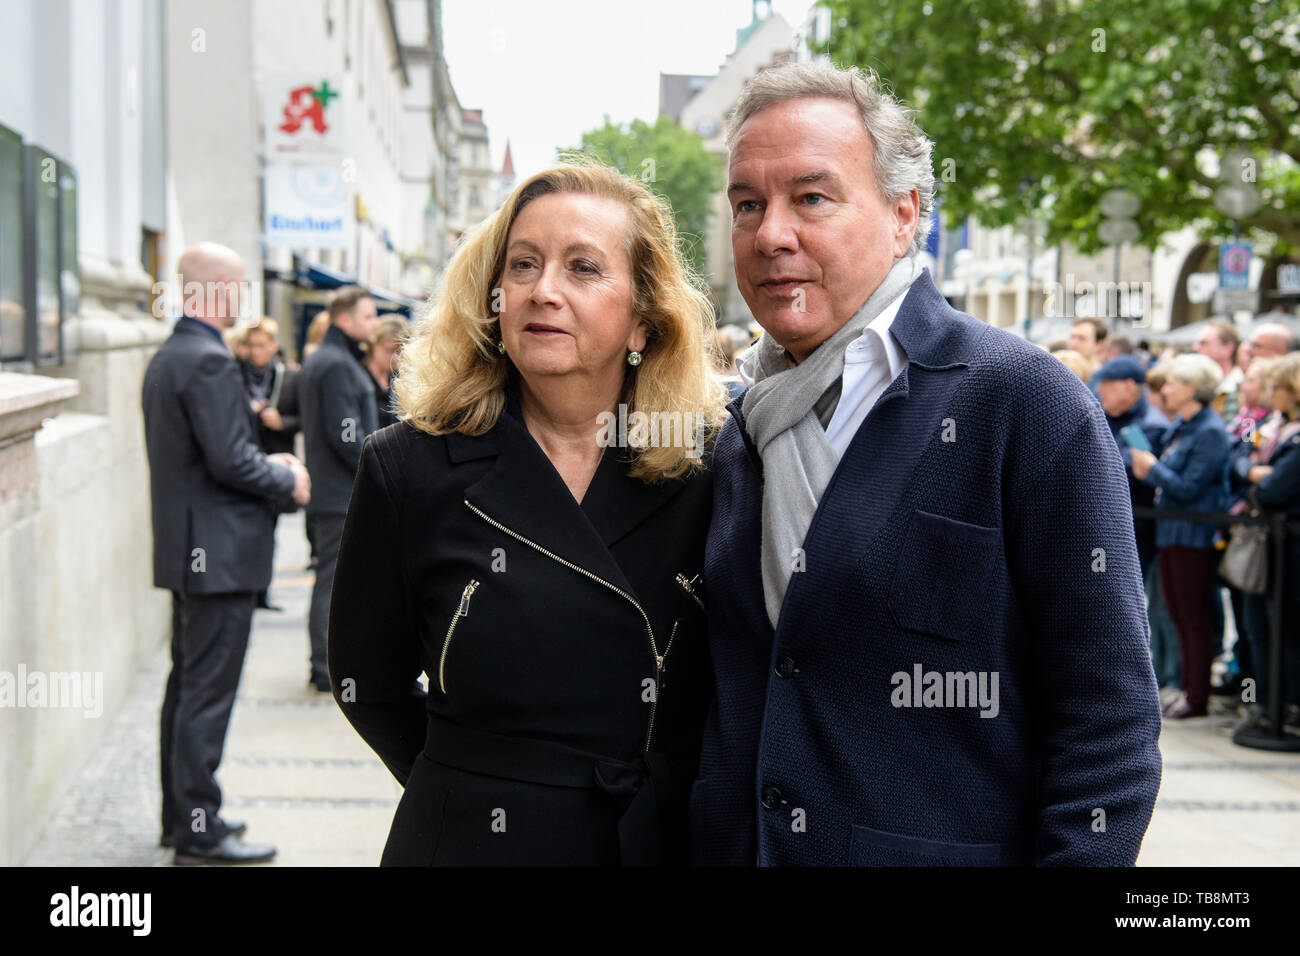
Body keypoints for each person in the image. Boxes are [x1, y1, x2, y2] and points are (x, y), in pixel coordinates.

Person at [694, 61, 1162, 867]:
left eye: (811, 197)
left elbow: (1108, 716)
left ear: (905, 212)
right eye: (747, 204)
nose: (772, 234)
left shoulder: (1024, 402)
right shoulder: (733, 428)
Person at [328, 162, 727, 865]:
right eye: (523, 265)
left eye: (582, 268)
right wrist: (469, 782)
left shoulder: (707, 465)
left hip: (648, 843)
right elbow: (366, 683)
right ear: (493, 298)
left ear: (642, 317)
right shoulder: (408, 467)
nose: (543, 291)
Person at [142, 242, 311, 864]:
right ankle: (199, 830)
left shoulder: (173, 355)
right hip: (216, 555)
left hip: (192, 552)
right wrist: (286, 476)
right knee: (206, 695)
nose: (243, 299)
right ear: (212, 290)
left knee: (186, 689)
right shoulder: (209, 359)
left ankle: (180, 817)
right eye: (237, 287)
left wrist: (263, 463)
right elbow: (229, 459)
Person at [1130, 353, 1231, 719]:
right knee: (1175, 612)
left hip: (1193, 534)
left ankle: (1196, 694)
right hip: (1171, 531)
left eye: (1172, 383)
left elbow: (1188, 487)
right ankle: (1186, 688)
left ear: (1191, 388)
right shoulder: (1183, 426)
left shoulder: (1209, 431)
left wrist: (1152, 469)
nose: (1165, 390)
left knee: (1193, 616)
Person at [299, 286, 380, 692]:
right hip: (338, 495)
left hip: (333, 491)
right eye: (368, 317)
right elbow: (345, 434)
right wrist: (379, 466)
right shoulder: (335, 365)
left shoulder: (330, 360)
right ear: (345, 320)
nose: (375, 324)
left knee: (332, 580)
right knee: (331, 582)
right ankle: (323, 667)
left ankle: (326, 664)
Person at [1235, 353, 1300, 732]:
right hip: (1265, 550)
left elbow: (1274, 490)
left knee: (1284, 635)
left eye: (1276, 388)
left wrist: (1258, 475)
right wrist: (1254, 472)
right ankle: (1259, 704)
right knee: (1254, 631)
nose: (1270, 395)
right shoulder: (1271, 428)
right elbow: (1238, 466)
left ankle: (1286, 708)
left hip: (1287, 556)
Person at [238, 316, 303, 611]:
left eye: (262, 346)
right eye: (252, 346)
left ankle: (262, 592)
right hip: (247, 460)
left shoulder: (288, 377)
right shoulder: (236, 375)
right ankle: (248, 589)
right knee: (247, 530)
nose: (256, 352)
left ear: (274, 346)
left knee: (270, 531)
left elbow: (303, 418)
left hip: (276, 460)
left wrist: (282, 422)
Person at [1096, 355, 1168, 573]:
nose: (1099, 390)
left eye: (1107, 385)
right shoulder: (1105, 414)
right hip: (1105, 523)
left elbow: (1118, 472)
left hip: (1133, 528)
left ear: (1129, 386)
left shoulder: (1152, 424)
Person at [1195, 320, 1243, 421]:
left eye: (1204, 343)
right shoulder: (1198, 384)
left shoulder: (1242, 387)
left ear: (1228, 348)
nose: (1196, 348)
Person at [365, 314, 407, 428]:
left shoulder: (401, 379)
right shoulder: (357, 375)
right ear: (373, 343)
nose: (395, 358)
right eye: (389, 350)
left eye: (399, 352)